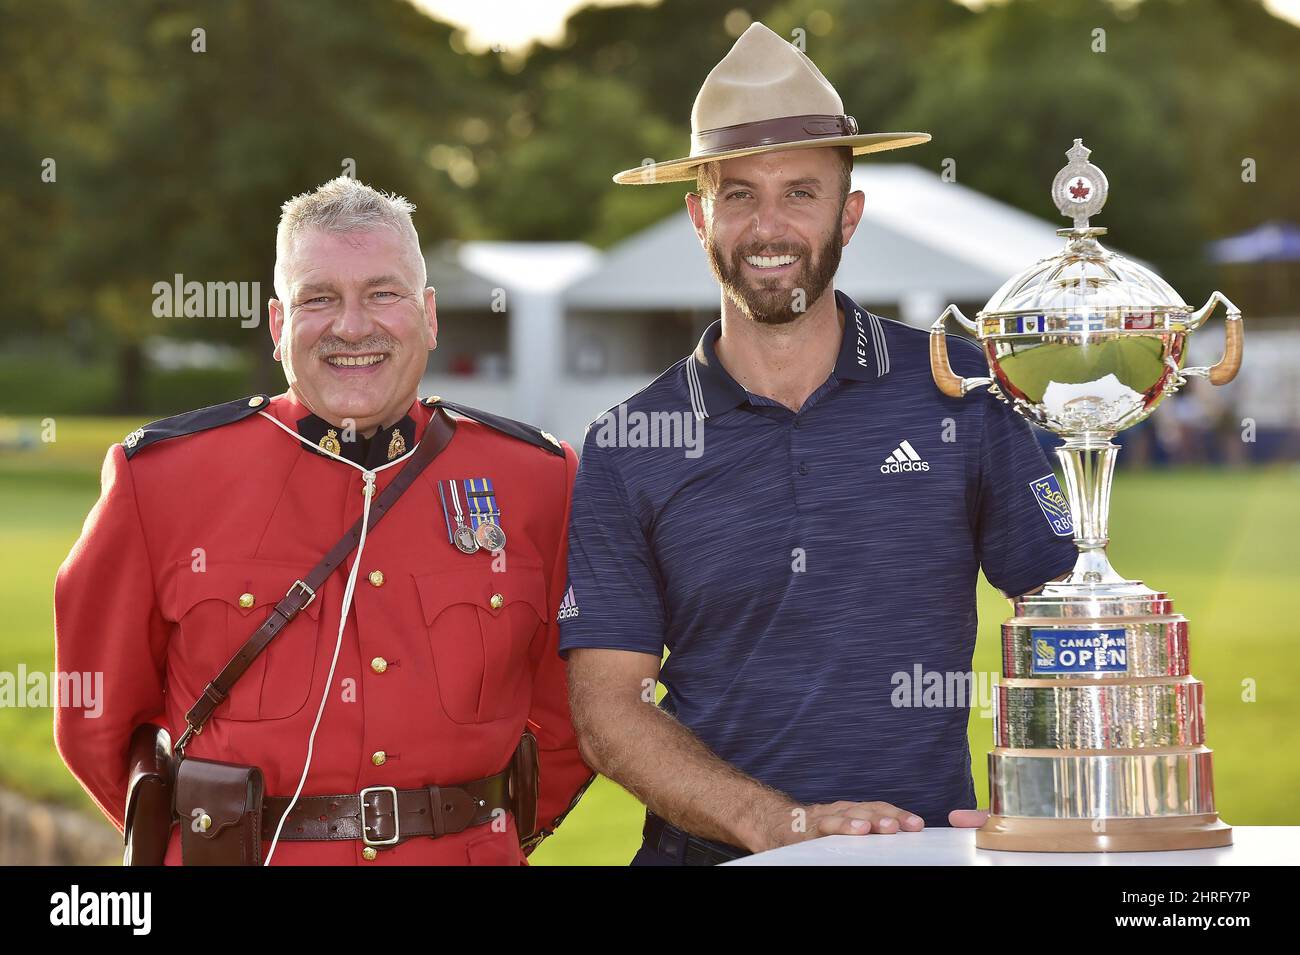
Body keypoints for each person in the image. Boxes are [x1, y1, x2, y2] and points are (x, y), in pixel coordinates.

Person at [559, 22, 1077, 865]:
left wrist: (1040, 797)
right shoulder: (629, 443)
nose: (770, 226)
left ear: (850, 211)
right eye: (738, 195)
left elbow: (1059, 615)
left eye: (801, 192)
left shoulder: (964, 387)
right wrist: (778, 827)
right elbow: (607, 709)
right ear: (699, 216)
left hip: (927, 853)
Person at [54, 176, 592, 864]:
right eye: (320, 298)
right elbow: (95, 715)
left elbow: (573, 712)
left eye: (383, 293)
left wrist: (472, 837)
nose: (352, 325)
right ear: (279, 327)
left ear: (429, 315)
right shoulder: (159, 480)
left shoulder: (539, 481)